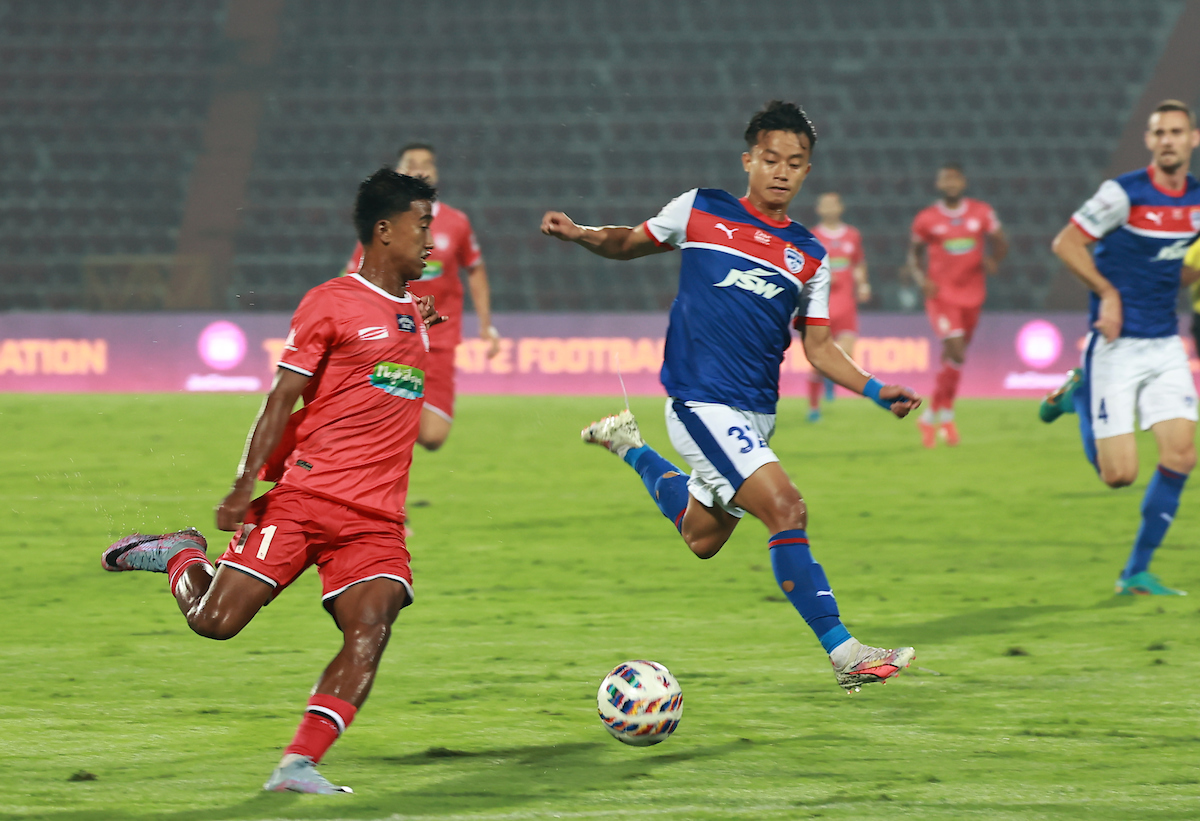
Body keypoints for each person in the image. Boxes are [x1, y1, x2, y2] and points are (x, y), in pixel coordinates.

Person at [541, 100, 921, 693]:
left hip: (754, 415)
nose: (781, 171)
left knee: (702, 537)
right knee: (787, 509)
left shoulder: (810, 256)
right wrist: (581, 233)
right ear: (748, 160)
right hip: (699, 401)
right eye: (770, 158)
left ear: (807, 173)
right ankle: (846, 655)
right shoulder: (701, 210)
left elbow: (818, 349)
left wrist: (875, 390)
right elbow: (627, 242)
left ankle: (628, 444)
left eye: (795, 163)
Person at [101, 169, 442, 793]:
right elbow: (283, 397)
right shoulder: (329, 302)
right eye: (422, 224)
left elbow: (392, 336)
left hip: (375, 520)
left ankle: (298, 764)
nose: (431, 239)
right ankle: (182, 556)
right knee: (215, 622)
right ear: (383, 230)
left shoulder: (416, 313)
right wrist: (242, 484)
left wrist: (416, 314)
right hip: (306, 498)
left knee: (372, 626)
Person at [1040, 100, 1200, 596]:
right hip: (1114, 345)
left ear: (1192, 139)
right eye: (1160, 133)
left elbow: (1177, 267)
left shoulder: (1196, 200)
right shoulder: (1123, 194)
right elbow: (1066, 242)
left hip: (1164, 343)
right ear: (1150, 142)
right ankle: (1080, 395)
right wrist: (1108, 294)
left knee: (1181, 454)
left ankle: (1135, 572)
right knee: (1119, 476)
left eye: (1177, 131)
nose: (1168, 139)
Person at [346, 142, 499, 451]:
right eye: (411, 162)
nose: (419, 168)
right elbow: (353, 275)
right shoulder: (382, 224)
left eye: (426, 163)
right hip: (392, 336)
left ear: (435, 174)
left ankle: (371, 415)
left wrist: (486, 325)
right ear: (398, 172)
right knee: (387, 421)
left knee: (432, 437)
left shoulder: (457, 222)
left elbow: (476, 270)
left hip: (440, 337)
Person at [905, 164, 1007, 447]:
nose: (950, 183)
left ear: (963, 182)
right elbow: (913, 254)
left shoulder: (981, 213)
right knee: (957, 351)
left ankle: (930, 418)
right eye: (945, 179)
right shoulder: (927, 219)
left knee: (954, 360)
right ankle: (946, 417)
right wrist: (921, 279)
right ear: (939, 184)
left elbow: (1001, 242)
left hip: (973, 294)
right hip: (941, 296)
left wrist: (994, 260)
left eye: (955, 178)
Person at [807, 191, 870, 422]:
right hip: (820, 305)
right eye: (824, 205)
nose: (829, 209)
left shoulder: (852, 235)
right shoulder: (812, 236)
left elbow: (858, 263)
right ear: (819, 209)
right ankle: (814, 408)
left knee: (847, 354)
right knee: (817, 360)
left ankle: (831, 379)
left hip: (846, 304)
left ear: (840, 208)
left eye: (833, 204)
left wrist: (863, 284)